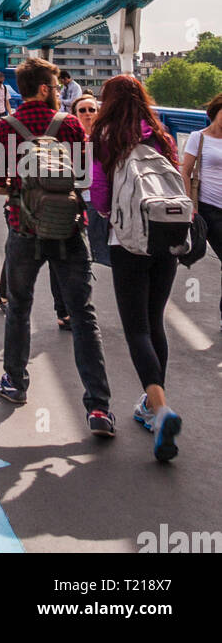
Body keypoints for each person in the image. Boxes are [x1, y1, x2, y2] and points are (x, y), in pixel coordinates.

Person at [0, 57, 114, 436]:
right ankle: (99, 408)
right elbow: (84, 180)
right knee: (83, 314)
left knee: (19, 308)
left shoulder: (2, 127)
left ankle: (15, 383)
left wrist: (26, 190)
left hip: (23, 230)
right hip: (70, 231)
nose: (59, 93)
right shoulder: (71, 125)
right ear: (44, 88)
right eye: (56, 87)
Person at [91, 75, 184, 462]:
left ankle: (160, 409)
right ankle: (151, 406)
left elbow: (98, 191)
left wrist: (109, 216)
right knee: (155, 320)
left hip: (129, 241)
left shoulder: (106, 135)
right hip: (168, 237)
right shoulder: (161, 135)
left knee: (136, 328)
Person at [179, 92, 222, 334]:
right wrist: (190, 205)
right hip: (209, 207)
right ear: (215, 112)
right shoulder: (199, 137)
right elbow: (185, 171)